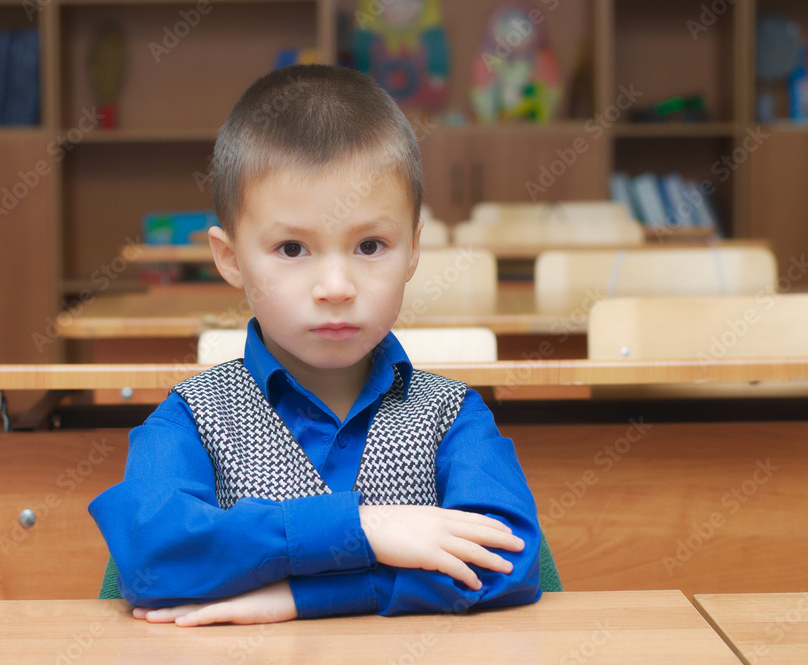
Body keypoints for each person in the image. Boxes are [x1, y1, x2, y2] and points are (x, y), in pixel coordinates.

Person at [88, 64, 542, 627]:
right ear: (229, 258)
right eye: (293, 249)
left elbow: (508, 562)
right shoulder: (190, 418)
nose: (336, 288)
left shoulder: (451, 416)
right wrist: (367, 530)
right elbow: (152, 559)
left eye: (370, 245)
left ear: (415, 250)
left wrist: (301, 598)